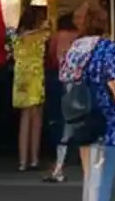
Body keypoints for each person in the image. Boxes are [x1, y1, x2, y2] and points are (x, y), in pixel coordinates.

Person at [59, 0, 115, 201]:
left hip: (81, 117)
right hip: (105, 120)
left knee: (90, 180)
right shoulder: (107, 48)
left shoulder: (75, 49)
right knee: (101, 182)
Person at [13, 7, 50, 172]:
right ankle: (34, 159)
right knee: (36, 119)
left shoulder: (18, 37)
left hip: (20, 78)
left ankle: (22, 161)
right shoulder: (41, 35)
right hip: (36, 77)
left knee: (24, 118)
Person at [45, 12, 78, 183]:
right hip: (75, 81)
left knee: (59, 119)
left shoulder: (56, 37)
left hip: (60, 78)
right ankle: (70, 157)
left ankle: (58, 163)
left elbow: (51, 56)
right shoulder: (77, 38)